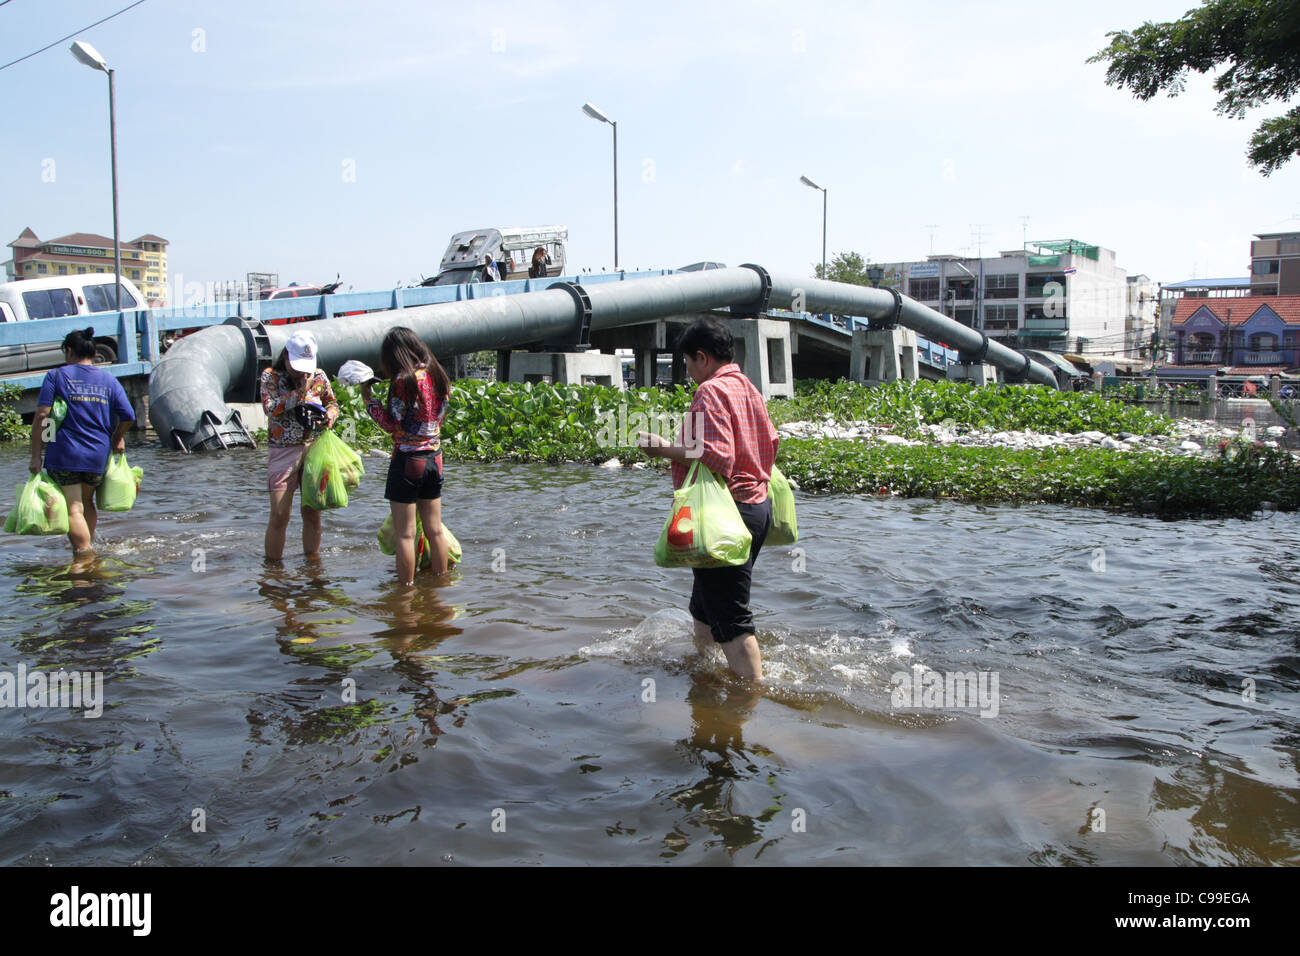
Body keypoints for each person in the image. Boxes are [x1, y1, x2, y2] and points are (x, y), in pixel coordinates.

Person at [638, 318, 778, 679]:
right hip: (756, 506)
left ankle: (751, 697)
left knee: (731, 616)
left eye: (687, 364)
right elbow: (773, 443)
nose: (688, 373)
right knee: (704, 605)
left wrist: (664, 449)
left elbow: (718, 456)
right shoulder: (747, 386)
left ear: (702, 357)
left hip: (726, 514)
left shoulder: (711, 392)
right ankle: (705, 674)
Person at [28, 327, 136, 555]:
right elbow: (128, 416)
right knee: (87, 503)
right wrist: (117, 437)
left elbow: (42, 416)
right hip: (98, 454)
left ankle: (85, 557)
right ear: (94, 351)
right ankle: (89, 550)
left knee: (73, 507)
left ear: (68, 350)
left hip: (66, 452)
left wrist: (36, 454)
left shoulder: (56, 376)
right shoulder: (108, 379)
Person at [361, 327, 451, 584]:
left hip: (409, 461)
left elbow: (392, 423)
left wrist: (368, 400)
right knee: (435, 530)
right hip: (435, 458)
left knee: (405, 534)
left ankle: (405, 593)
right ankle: (440, 585)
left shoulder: (403, 379)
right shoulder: (438, 374)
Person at [261, 329, 339, 561]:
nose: (302, 371)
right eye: (296, 364)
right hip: (283, 450)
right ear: (286, 357)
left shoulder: (319, 376)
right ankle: (273, 570)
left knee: (312, 512)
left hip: (313, 449)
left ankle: (312, 565)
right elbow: (270, 407)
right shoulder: (271, 376)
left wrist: (330, 416)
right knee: (279, 515)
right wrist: (300, 394)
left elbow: (332, 402)